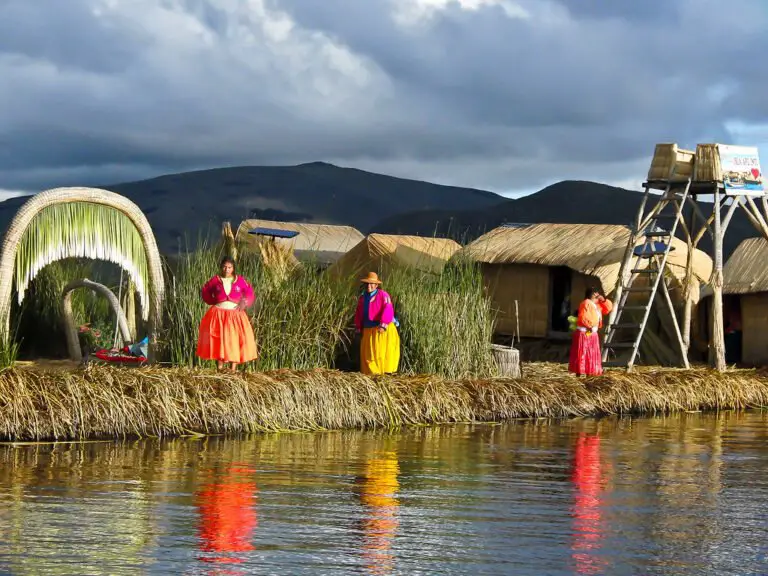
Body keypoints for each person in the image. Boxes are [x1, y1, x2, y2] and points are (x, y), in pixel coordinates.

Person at [197, 256, 258, 371]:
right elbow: (205, 290)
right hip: (219, 315)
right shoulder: (215, 280)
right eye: (225, 267)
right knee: (220, 339)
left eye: (229, 267)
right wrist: (212, 301)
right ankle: (220, 367)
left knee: (234, 339)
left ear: (233, 268)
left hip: (235, 315)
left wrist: (244, 303)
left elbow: (249, 292)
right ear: (221, 267)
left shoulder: (240, 280)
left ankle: (233, 368)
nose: (227, 269)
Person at [355, 272, 400, 375]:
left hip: (381, 329)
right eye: (367, 284)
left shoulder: (383, 295)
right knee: (368, 356)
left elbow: (388, 309)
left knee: (380, 353)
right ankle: (371, 376)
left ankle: (383, 376)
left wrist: (383, 325)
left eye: (372, 284)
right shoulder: (363, 298)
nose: (369, 286)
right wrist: (358, 327)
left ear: (376, 285)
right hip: (368, 330)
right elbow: (359, 312)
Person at [569, 287, 613, 377]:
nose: (598, 295)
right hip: (585, 333)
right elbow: (583, 317)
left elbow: (608, 309)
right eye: (597, 293)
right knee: (582, 353)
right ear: (593, 294)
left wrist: (604, 300)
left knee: (591, 353)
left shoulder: (597, 305)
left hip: (592, 333)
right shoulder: (586, 303)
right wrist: (590, 326)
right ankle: (580, 373)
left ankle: (589, 373)